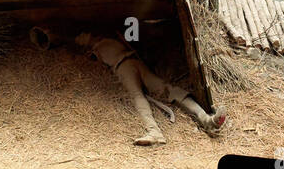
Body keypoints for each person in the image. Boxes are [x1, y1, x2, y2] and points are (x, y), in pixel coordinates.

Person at [75, 32, 225, 145]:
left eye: (83, 33)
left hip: (136, 63)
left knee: (168, 88)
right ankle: (154, 132)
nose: (84, 35)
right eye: (81, 36)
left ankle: (207, 120)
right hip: (122, 68)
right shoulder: (94, 52)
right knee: (137, 95)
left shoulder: (110, 37)